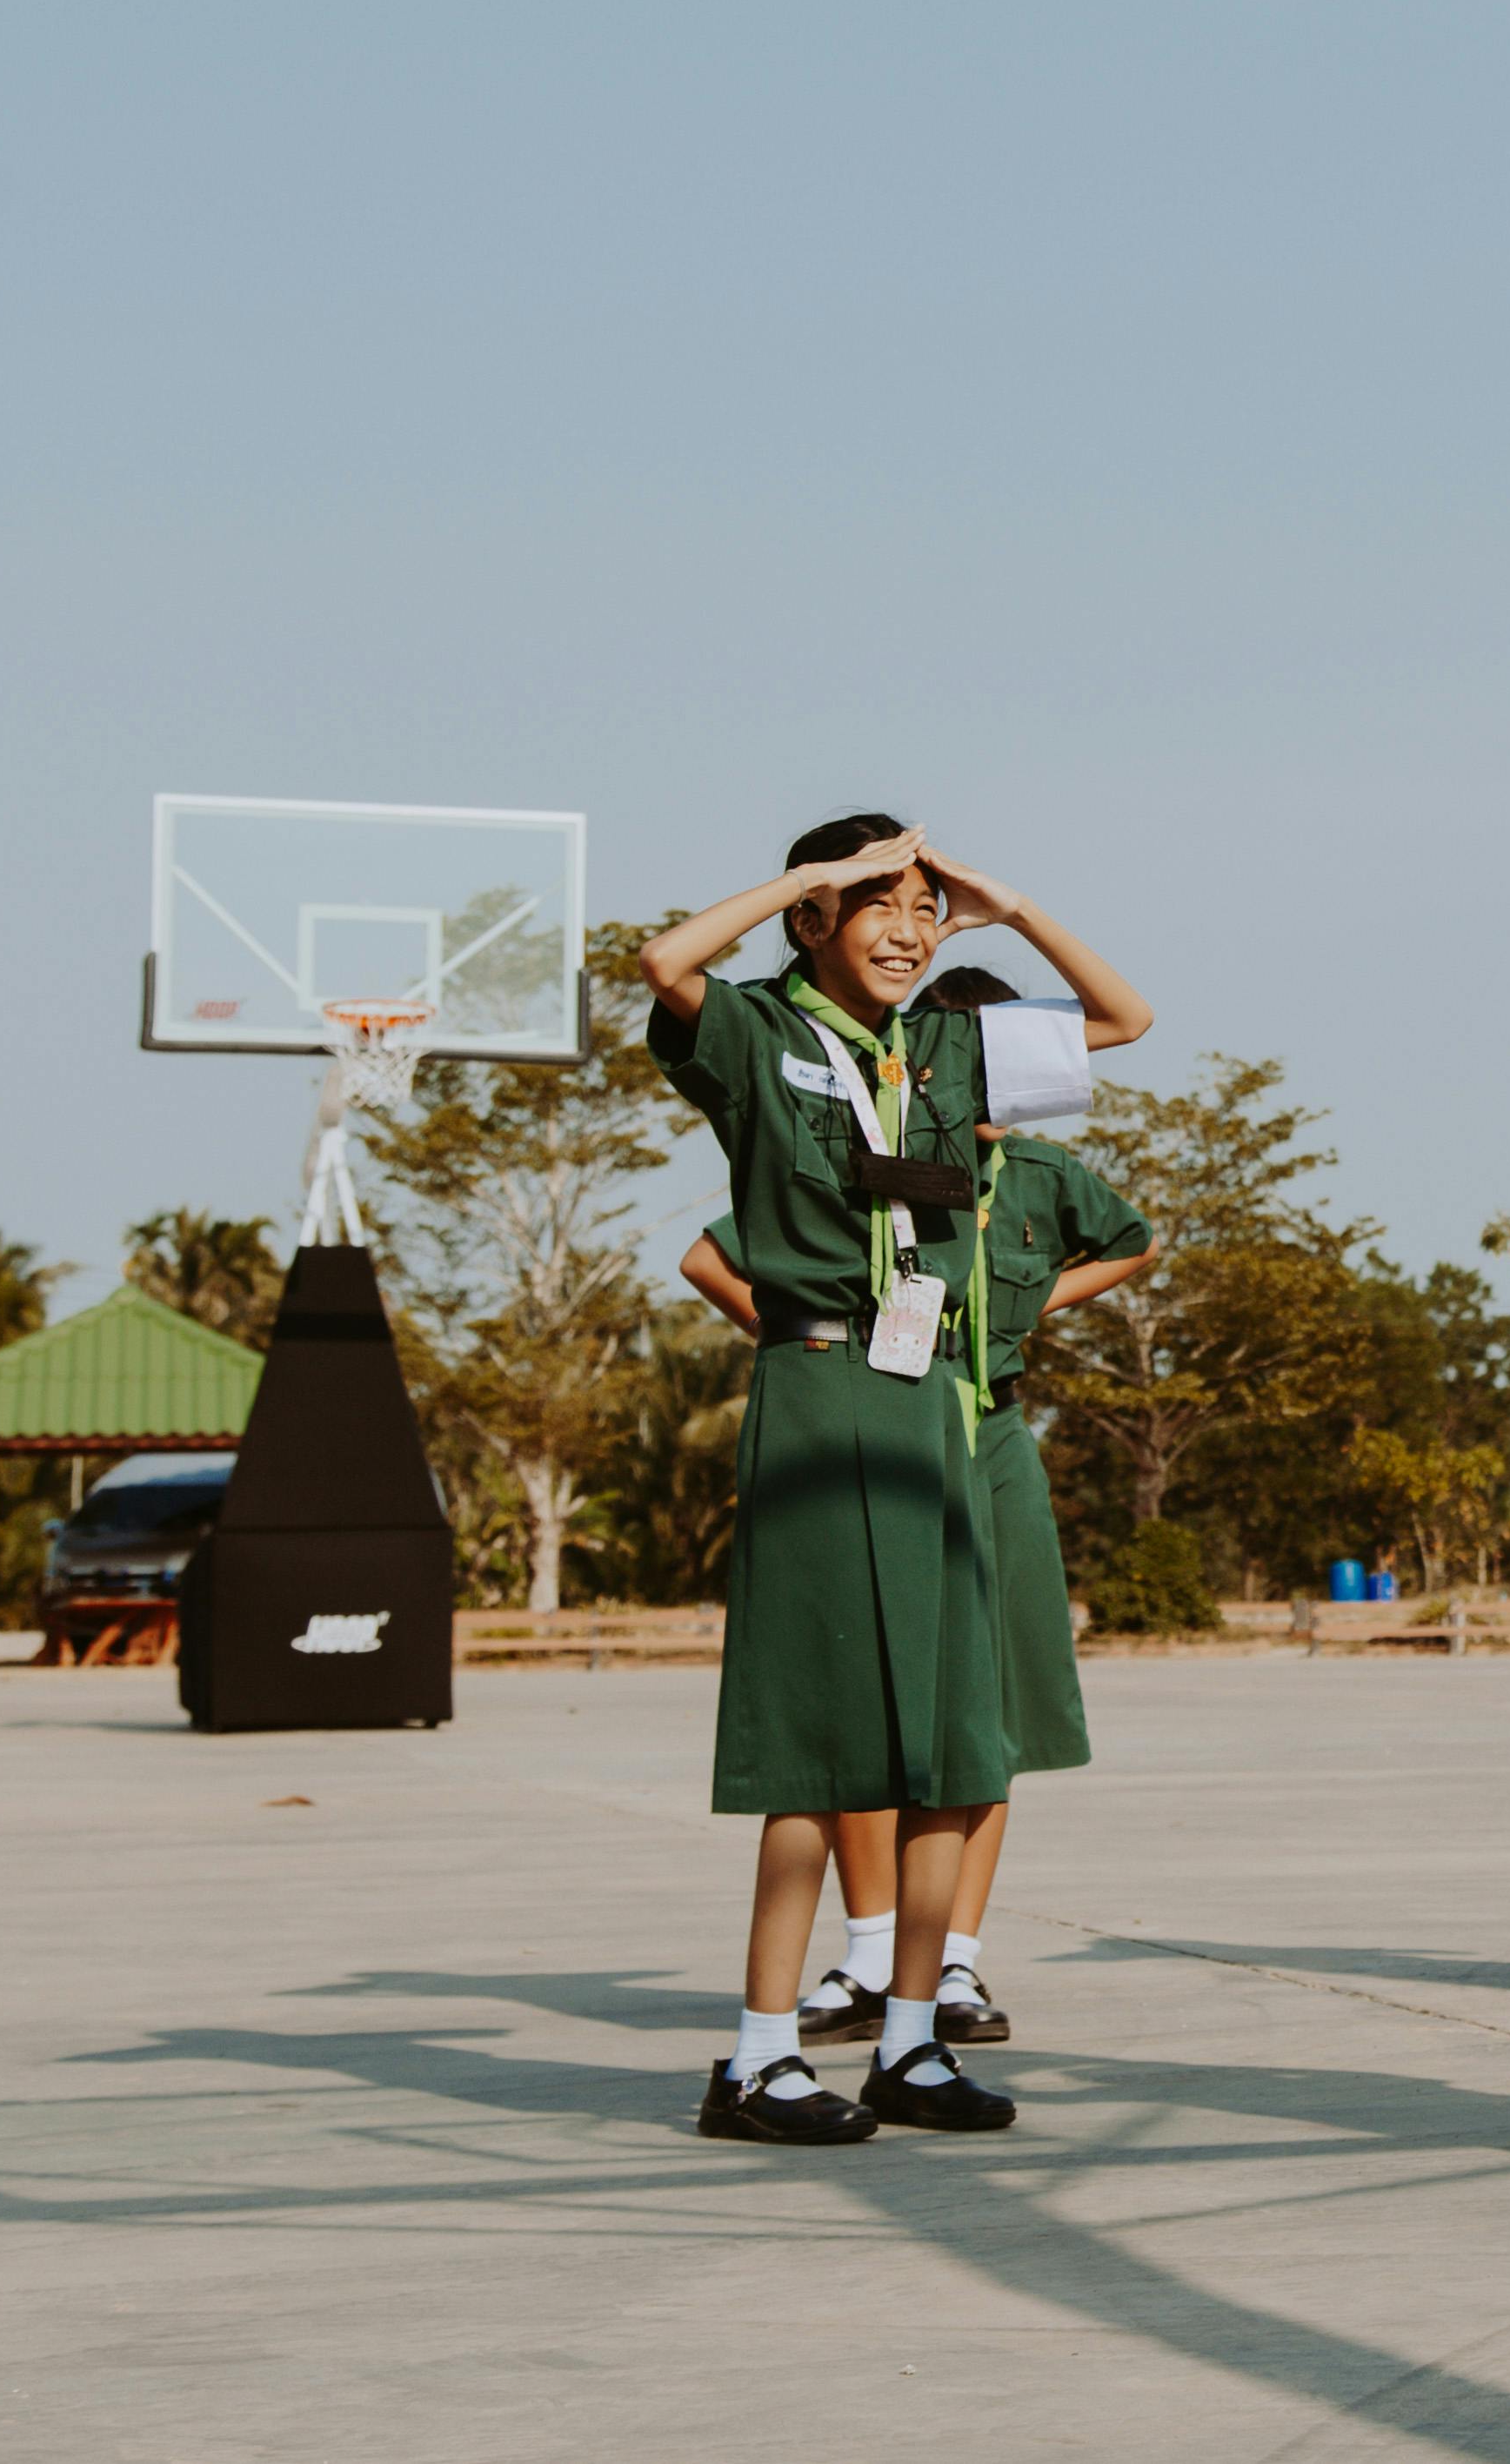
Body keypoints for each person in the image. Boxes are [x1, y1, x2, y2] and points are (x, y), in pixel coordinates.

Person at [638, 820, 1151, 2144]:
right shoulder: (758, 1032)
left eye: (927, 906)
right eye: (880, 902)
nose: (910, 926)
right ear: (813, 918)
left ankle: (911, 2040)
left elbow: (1125, 1016)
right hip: (819, 1389)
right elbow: (663, 959)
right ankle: (755, 2057)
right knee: (816, 1740)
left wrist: (1012, 906)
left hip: (932, 1394)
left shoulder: (947, 1045)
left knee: (951, 1738)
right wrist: (805, 879)